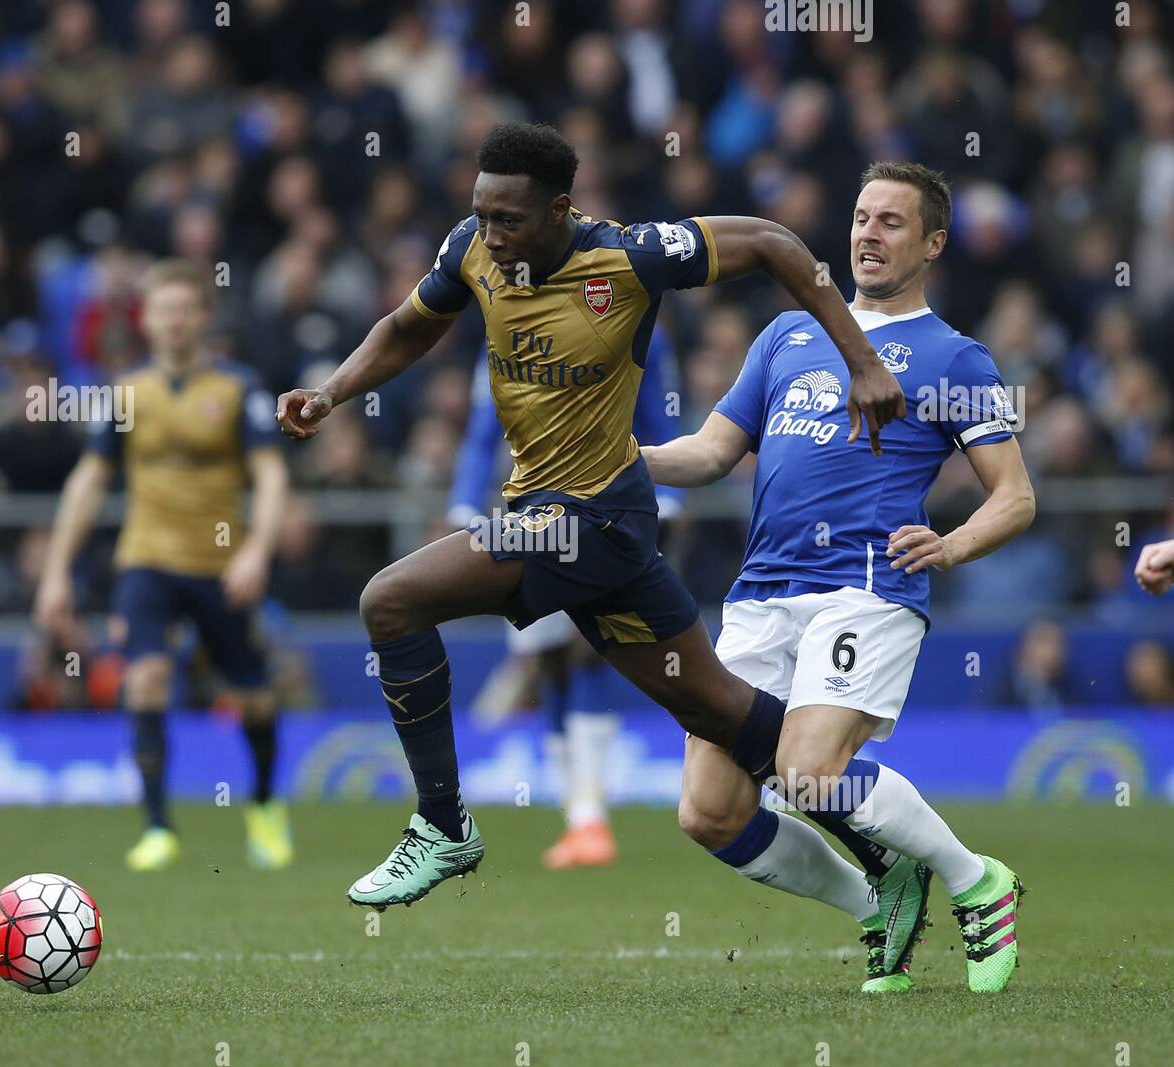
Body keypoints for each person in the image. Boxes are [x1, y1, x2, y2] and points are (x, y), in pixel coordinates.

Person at [276, 122, 906, 935]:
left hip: (594, 517)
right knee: (723, 715)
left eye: (510, 219)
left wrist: (860, 358)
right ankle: (898, 859)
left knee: (390, 603)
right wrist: (331, 392)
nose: (493, 236)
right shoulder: (471, 249)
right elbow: (409, 327)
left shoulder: (633, 257)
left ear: (560, 209)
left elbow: (774, 242)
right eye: (483, 213)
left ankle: (442, 825)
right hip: (558, 519)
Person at [642, 162, 1037, 993]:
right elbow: (711, 453)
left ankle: (976, 882)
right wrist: (616, 463)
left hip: (866, 585)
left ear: (932, 243)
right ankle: (877, 896)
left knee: (811, 770)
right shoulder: (788, 335)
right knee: (708, 810)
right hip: (761, 593)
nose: (868, 234)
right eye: (861, 217)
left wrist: (953, 546)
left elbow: (1016, 496)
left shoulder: (954, 358)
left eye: (892, 222)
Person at [36, 259, 292, 871]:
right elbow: (89, 480)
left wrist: (257, 549)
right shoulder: (125, 395)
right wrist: (54, 571)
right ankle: (157, 826)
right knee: (145, 678)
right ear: (146, 321)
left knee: (254, 696)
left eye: (186, 309)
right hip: (146, 559)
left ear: (203, 317)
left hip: (221, 565)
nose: (175, 322)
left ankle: (262, 807)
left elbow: (271, 473)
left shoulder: (238, 389)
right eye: (163, 310)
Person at [447, 329, 686, 869]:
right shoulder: (503, 328)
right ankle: (577, 814)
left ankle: (590, 813)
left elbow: (657, 414)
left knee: (592, 649)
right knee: (548, 659)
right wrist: (463, 503)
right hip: (526, 513)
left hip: (606, 510)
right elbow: (485, 430)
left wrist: (669, 500)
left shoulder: (630, 312)